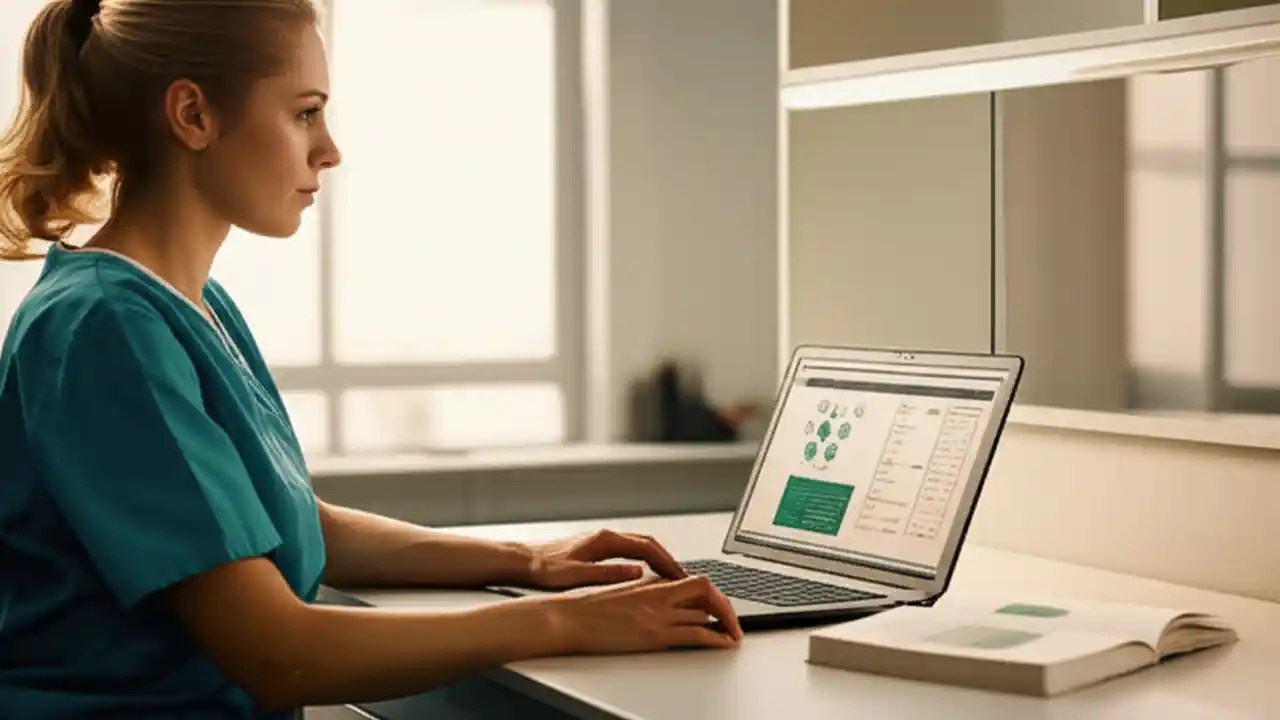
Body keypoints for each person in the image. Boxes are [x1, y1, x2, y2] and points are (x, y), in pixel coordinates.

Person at [0, 1, 743, 717]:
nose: (329, 149)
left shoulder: (189, 303)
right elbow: (276, 652)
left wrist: (526, 560)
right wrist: (569, 622)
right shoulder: (105, 328)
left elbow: (294, 522)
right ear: (193, 115)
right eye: (305, 113)